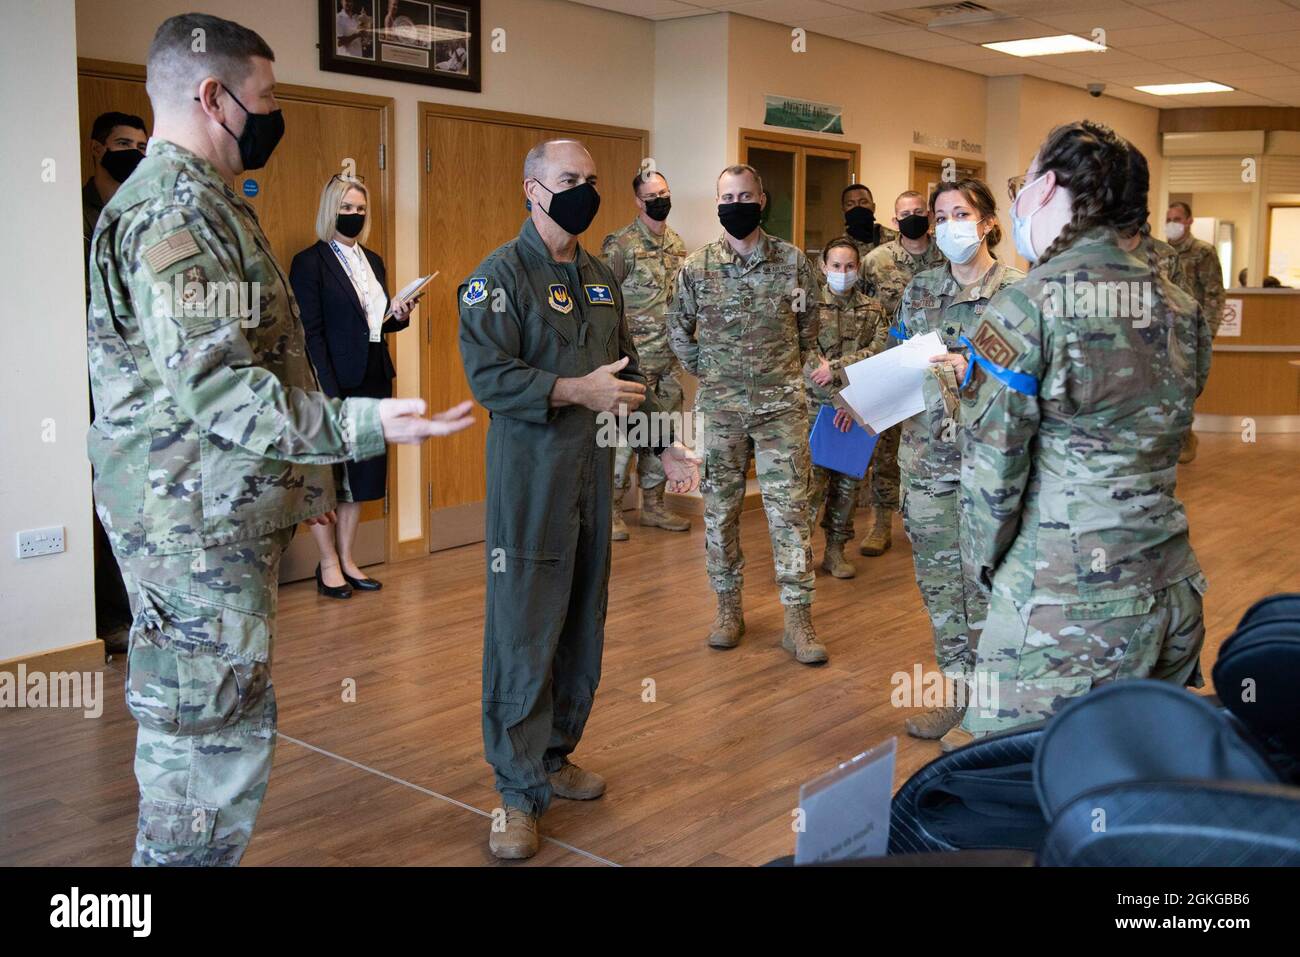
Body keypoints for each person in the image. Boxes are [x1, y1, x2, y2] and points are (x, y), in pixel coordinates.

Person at [87, 13, 473, 866]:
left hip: (214, 515)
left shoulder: (210, 201)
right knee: (205, 750)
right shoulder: (170, 213)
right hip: (191, 524)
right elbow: (218, 386)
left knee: (216, 726)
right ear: (213, 96)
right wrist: (364, 419)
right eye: (266, 99)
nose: (274, 115)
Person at [457, 139, 700, 860]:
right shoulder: (496, 278)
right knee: (524, 628)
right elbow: (488, 376)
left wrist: (664, 444)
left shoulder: (599, 275)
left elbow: (629, 373)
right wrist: (572, 390)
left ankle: (555, 755)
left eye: (593, 182)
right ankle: (514, 792)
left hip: (592, 477)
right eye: (570, 181)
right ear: (532, 188)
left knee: (581, 621)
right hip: (531, 479)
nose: (584, 192)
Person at [959, 122, 1210, 740]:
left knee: (1017, 794)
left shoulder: (1027, 304)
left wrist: (985, 573)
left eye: (1022, 183)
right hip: (1171, 588)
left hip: (1064, 607)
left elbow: (993, 476)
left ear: (1045, 187)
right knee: (1132, 791)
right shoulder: (1179, 304)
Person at [668, 164, 827, 665]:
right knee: (719, 512)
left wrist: (783, 372)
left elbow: (808, 328)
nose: (735, 203)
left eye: (744, 195)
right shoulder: (696, 267)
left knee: (791, 513)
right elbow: (678, 330)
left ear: (762, 200)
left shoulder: (794, 262)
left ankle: (798, 620)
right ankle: (728, 609)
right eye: (726, 196)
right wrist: (712, 372)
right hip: (721, 412)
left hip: (782, 409)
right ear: (717, 203)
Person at [893, 178, 1024, 750]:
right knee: (942, 586)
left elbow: (1029, 384)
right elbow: (901, 360)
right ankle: (955, 692)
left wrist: (975, 371)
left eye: (961, 213)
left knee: (989, 587)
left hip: (991, 466)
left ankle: (991, 712)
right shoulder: (919, 289)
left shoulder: (1019, 293)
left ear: (989, 222)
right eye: (940, 215)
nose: (948, 225)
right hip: (927, 460)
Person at [290, 175, 416, 597]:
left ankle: (347, 558)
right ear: (331, 210)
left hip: (374, 376)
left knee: (362, 473)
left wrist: (399, 313)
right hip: (334, 384)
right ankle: (326, 564)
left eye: (360, 209)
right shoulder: (310, 262)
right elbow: (312, 332)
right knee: (330, 474)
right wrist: (328, 390)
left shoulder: (373, 260)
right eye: (346, 208)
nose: (354, 215)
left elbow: (374, 325)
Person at [83, 111, 149, 650]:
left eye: (141, 145)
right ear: (96, 149)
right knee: (103, 497)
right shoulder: (79, 213)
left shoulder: (141, 211)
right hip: (95, 377)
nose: (133, 153)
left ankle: (141, 609)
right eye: (123, 143)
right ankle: (109, 618)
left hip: (147, 380)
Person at [601, 168, 691, 541]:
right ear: (638, 201)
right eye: (652, 195)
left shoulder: (677, 244)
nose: (660, 200)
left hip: (668, 362)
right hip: (632, 364)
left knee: (663, 433)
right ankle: (612, 511)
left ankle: (654, 507)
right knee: (622, 438)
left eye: (664, 192)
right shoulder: (620, 245)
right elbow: (602, 303)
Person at [858, 191, 947, 558]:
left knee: (938, 443)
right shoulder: (875, 261)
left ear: (928, 216)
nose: (911, 218)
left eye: (917, 212)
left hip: (939, 366)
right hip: (891, 365)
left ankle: (935, 521)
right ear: (894, 221)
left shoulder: (947, 257)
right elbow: (860, 310)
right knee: (886, 448)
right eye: (903, 214)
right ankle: (881, 523)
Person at [804, 237, 888, 579]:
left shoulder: (874, 310)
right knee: (809, 489)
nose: (842, 272)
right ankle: (799, 555)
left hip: (855, 409)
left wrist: (836, 369)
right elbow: (803, 355)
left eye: (849, 266)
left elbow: (879, 353)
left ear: (859, 268)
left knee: (848, 487)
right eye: (836, 266)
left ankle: (835, 552)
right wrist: (830, 374)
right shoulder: (806, 308)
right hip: (814, 410)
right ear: (823, 267)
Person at [1165, 200, 1224, 465]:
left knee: (1187, 386)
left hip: (1192, 329)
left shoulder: (1203, 252)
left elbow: (1214, 292)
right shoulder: (1161, 252)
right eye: (1169, 218)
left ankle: (1186, 436)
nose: (1172, 223)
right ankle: (1175, 437)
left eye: (1177, 218)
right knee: (1169, 385)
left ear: (1189, 221)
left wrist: (1209, 330)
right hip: (1167, 329)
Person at [840, 183, 897, 263]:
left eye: (863, 202)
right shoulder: (837, 247)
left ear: (873, 207)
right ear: (844, 210)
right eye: (850, 204)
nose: (857, 207)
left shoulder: (897, 240)